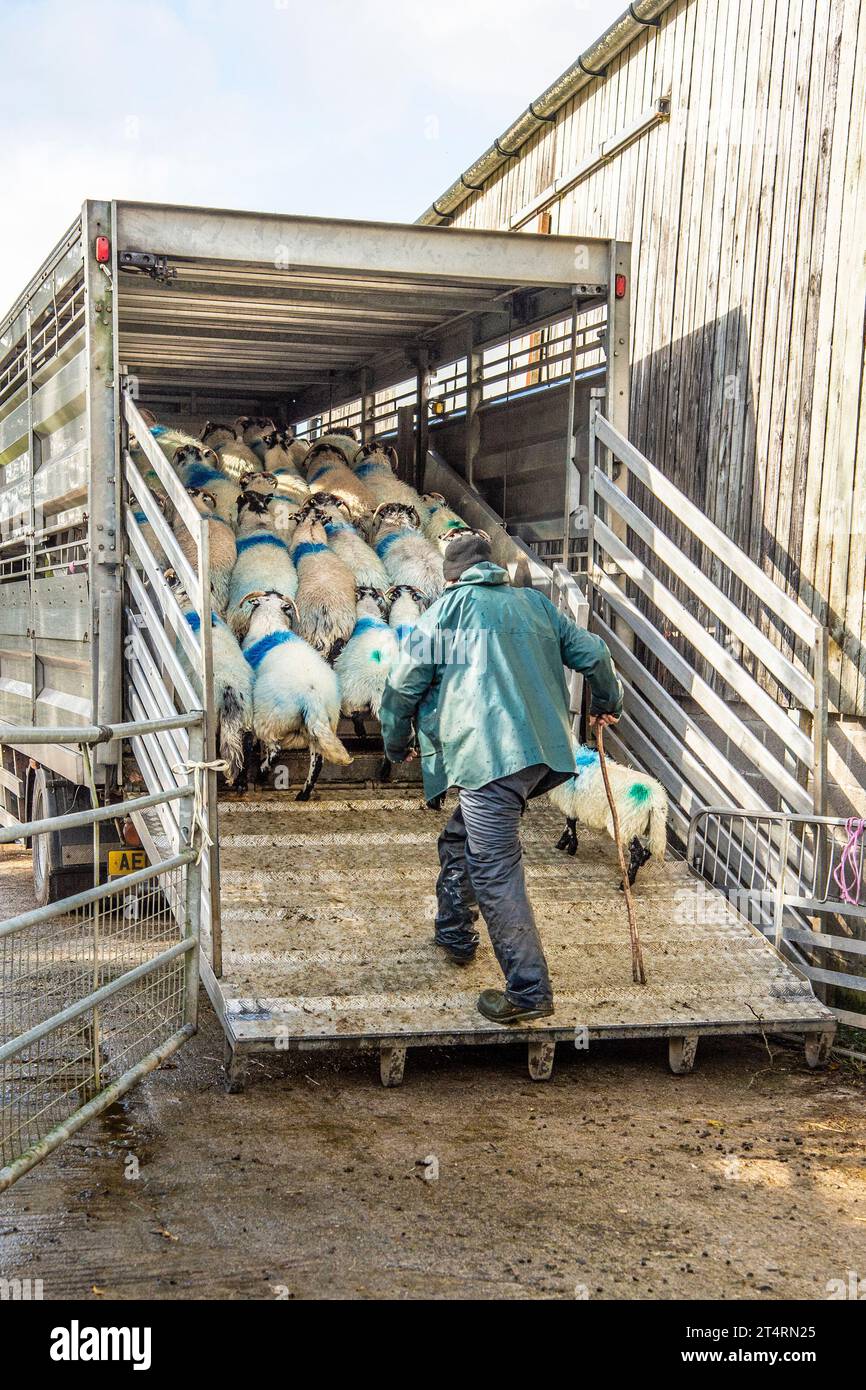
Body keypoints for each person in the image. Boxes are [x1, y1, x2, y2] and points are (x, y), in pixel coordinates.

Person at [379, 531, 622, 1025]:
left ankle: (529, 990)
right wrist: (605, 702)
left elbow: (402, 684)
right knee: (460, 839)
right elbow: (595, 654)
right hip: (540, 754)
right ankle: (454, 930)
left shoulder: (447, 612)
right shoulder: (535, 605)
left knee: (494, 868)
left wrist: (396, 743)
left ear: (451, 578)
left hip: (489, 758)